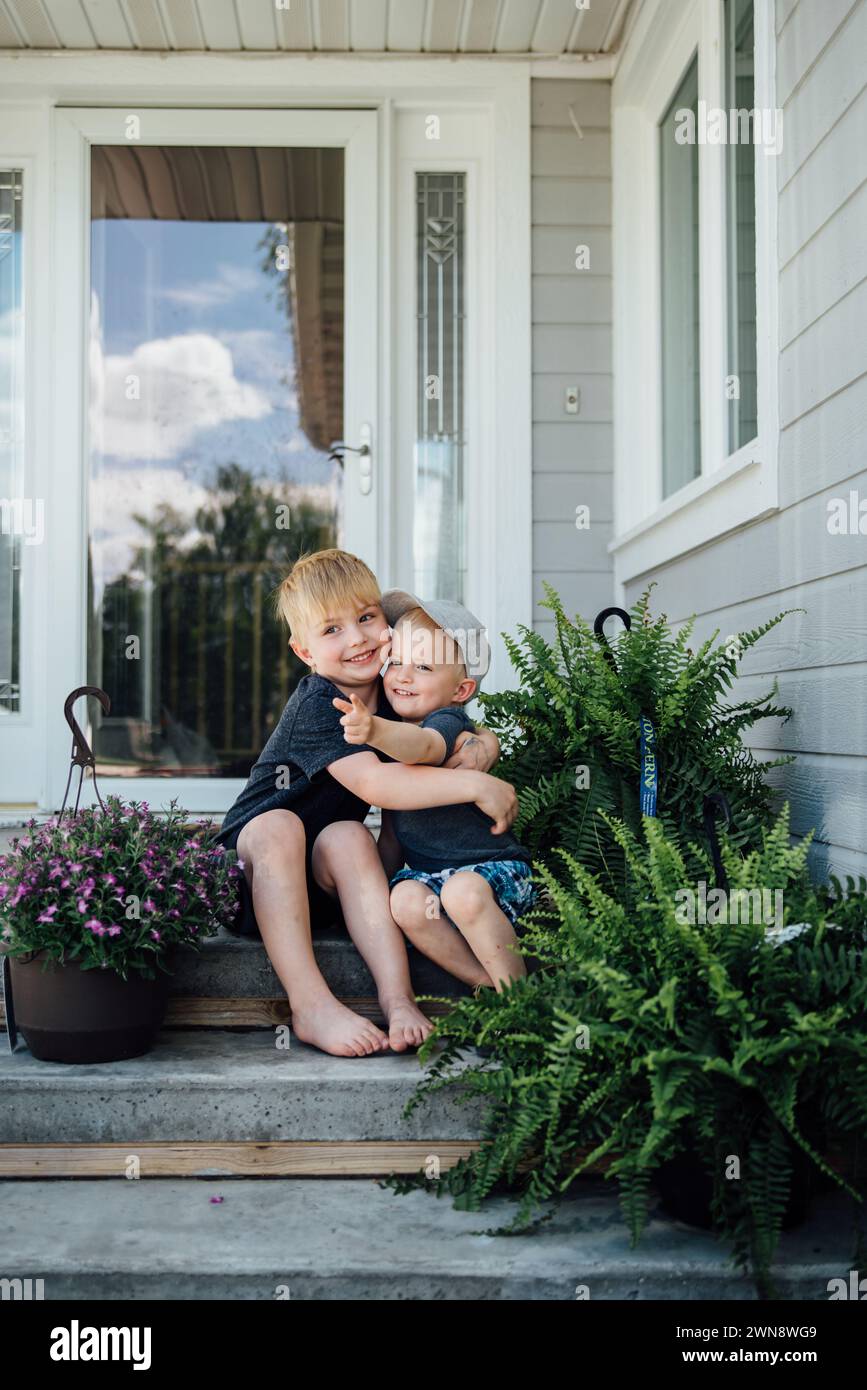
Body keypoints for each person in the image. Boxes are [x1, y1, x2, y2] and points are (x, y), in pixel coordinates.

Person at [216, 549, 517, 1058]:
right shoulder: (320, 702)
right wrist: (476, 785)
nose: (355, 639)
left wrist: (486, 741)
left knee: (348, 834)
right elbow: (379, 786)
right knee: (280, 825)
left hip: (324, 884)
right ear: (304, 652)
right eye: (331, 630)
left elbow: (446, 716)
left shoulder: (390, 681)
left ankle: (397, 1000)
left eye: (365, 617)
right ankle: (309, 1005)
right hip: (251, 877)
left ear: (387, 625)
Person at [333, 591, 535, 994]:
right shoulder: (397, 729)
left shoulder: (445, 723)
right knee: (404, 900)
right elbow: (393, 832)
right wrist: (371, 891)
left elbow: (422, 747)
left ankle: (519, 994)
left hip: (490, 874)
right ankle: (495, 991)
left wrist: (373, 729)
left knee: (463, 892)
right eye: (397, 662)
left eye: (423, 666)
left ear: (461, 691)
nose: (403, 676)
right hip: (429, 879)